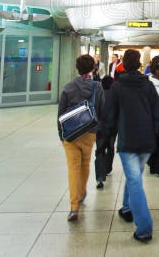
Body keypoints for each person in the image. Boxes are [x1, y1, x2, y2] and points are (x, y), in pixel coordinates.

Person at [105, 49, 159, 242]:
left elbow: (109, 116)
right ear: (139, 64)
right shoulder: (147, 85)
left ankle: (144, 228)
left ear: (123, 64)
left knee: (134, 181)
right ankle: (127, 207)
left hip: (128, 141)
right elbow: (158, 111)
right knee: (134, 176)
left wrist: (105, 138)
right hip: (147, 140)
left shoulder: (117, 87)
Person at [57, 54, 104, 221]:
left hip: (70, 134)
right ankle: (82, 192)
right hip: (89, 132)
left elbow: (60, 113)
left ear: (77, 68)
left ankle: (74, 206)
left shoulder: (68, 87)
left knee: (73, 168)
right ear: (93, 68)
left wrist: (61, 134)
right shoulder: (97, 87)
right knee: (85, 164)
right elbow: (102, 110)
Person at [94, 74, 116, 189]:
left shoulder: (99, 94)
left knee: (100, 150)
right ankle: (108, 168)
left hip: (100, 128)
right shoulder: (115, 96)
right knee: (111, 148)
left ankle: (100, 177)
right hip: (112, 128)